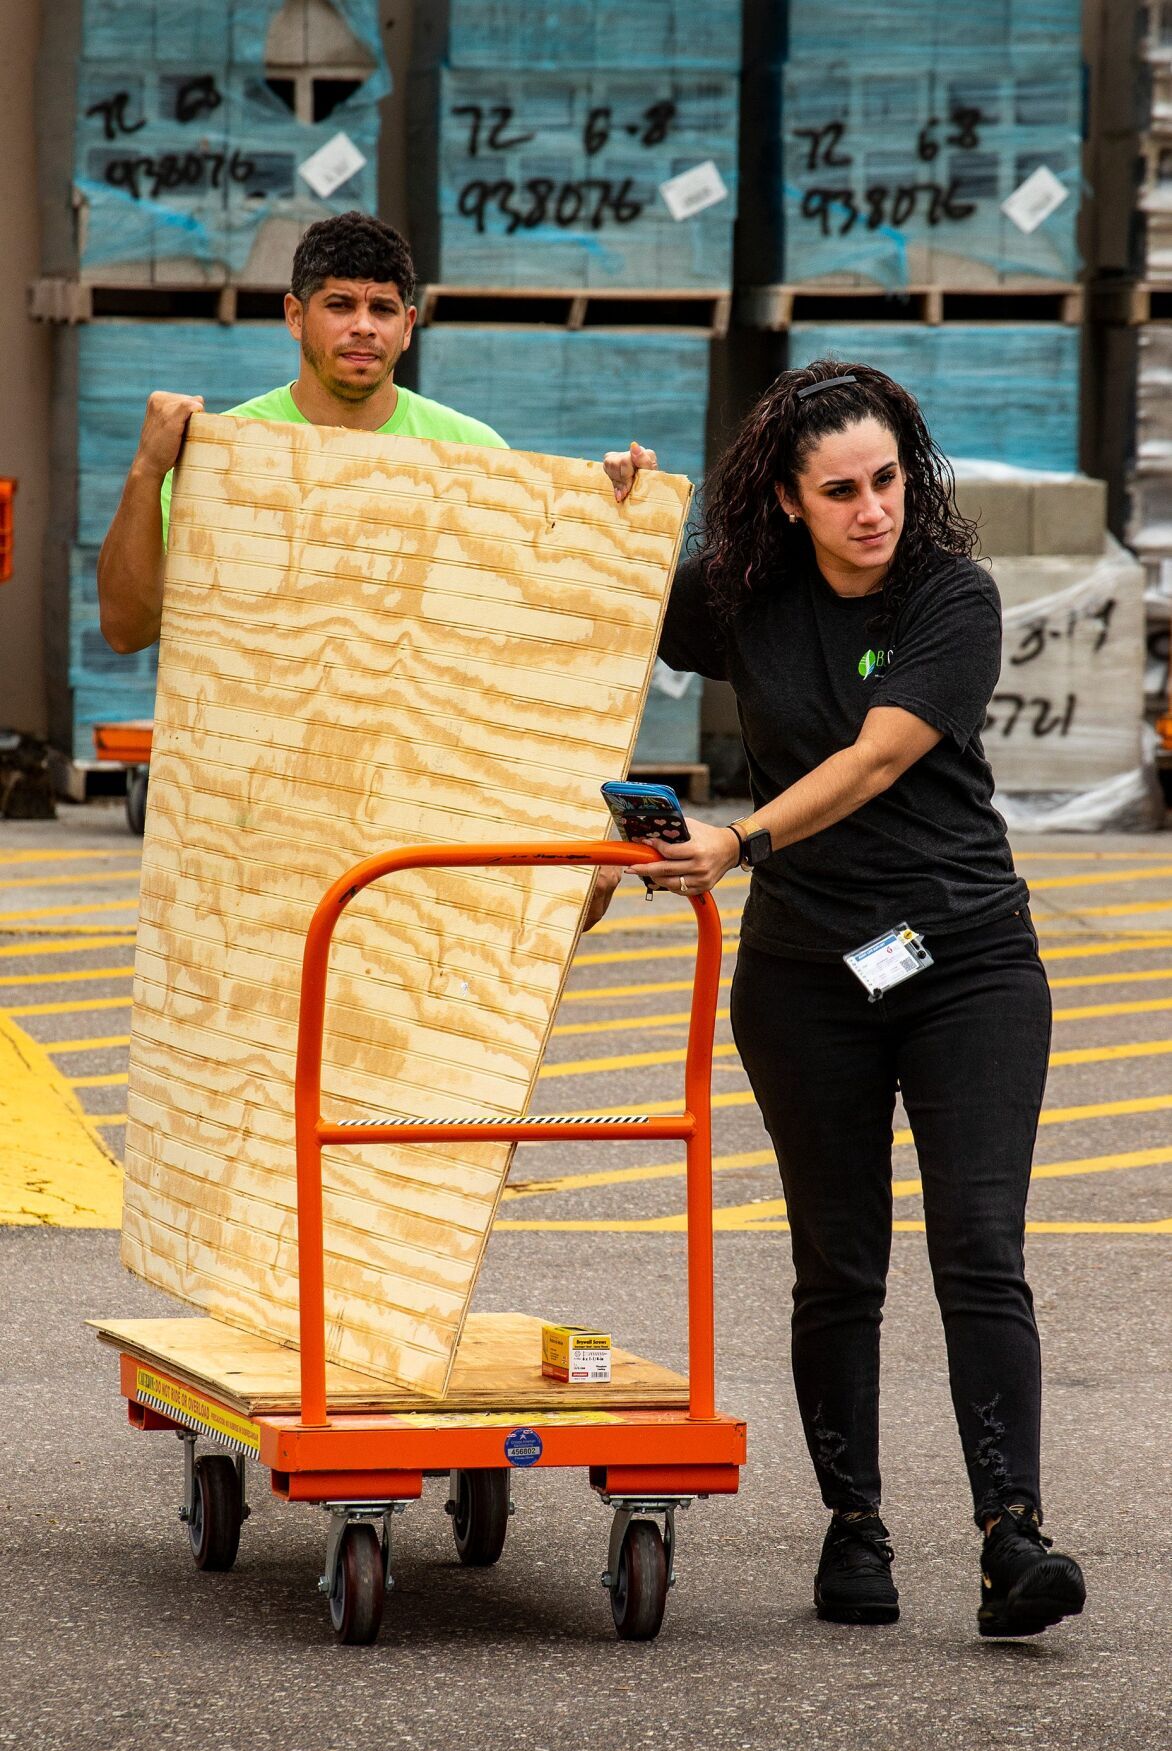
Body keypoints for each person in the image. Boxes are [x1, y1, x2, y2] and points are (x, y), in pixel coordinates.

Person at [601, 362, 1086, 1639]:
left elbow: (876, 755)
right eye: (839, 490)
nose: (871, 508)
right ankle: (853, 1528)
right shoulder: (741, 593)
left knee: (978, 1249)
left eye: (885, 480)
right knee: (837, 1264)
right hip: (807, 977)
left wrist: (737, 844)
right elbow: (601, 613)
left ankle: (1010, 1537)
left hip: (962, 958)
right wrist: (618, 514)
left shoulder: (950, 594)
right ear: (787, 498)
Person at [96, 209, 645, 924]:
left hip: (418, 808)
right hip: (257, 818)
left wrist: (618, 515)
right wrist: (146, 470)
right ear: (295, 316)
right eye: (340, 305)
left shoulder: (472, 453)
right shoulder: (229, 459)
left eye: (382, 308)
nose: (364, 326)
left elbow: (528, 652)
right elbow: (125, 625)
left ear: (408, 326)